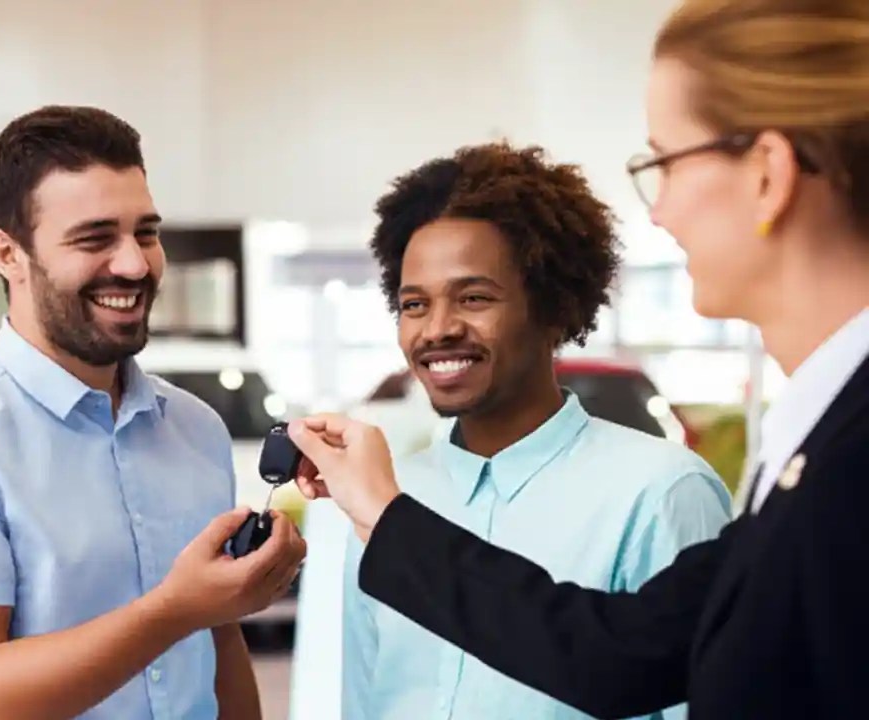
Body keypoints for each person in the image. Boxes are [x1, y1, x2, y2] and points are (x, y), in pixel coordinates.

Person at [286, 0, 869, 717]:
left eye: (663, 162)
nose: (658, 213)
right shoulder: (810, 447)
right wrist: (383, 510)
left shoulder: (828, 459)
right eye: (414, 303)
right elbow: (618, 655)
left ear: (768, 174)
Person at [0, 105, 306, 720]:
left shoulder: (196, 429)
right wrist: (176, 609)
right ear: (8, 253)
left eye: (146, 233)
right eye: (95, 238)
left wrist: (209, 608)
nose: (134, 264)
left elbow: (217, 642)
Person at [338, 142, 731, 720]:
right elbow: (365, 700)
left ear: (554, 308)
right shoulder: (387, 499)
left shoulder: (659, 492)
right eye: (414, 304)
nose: (438, 329)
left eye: (474, 298)